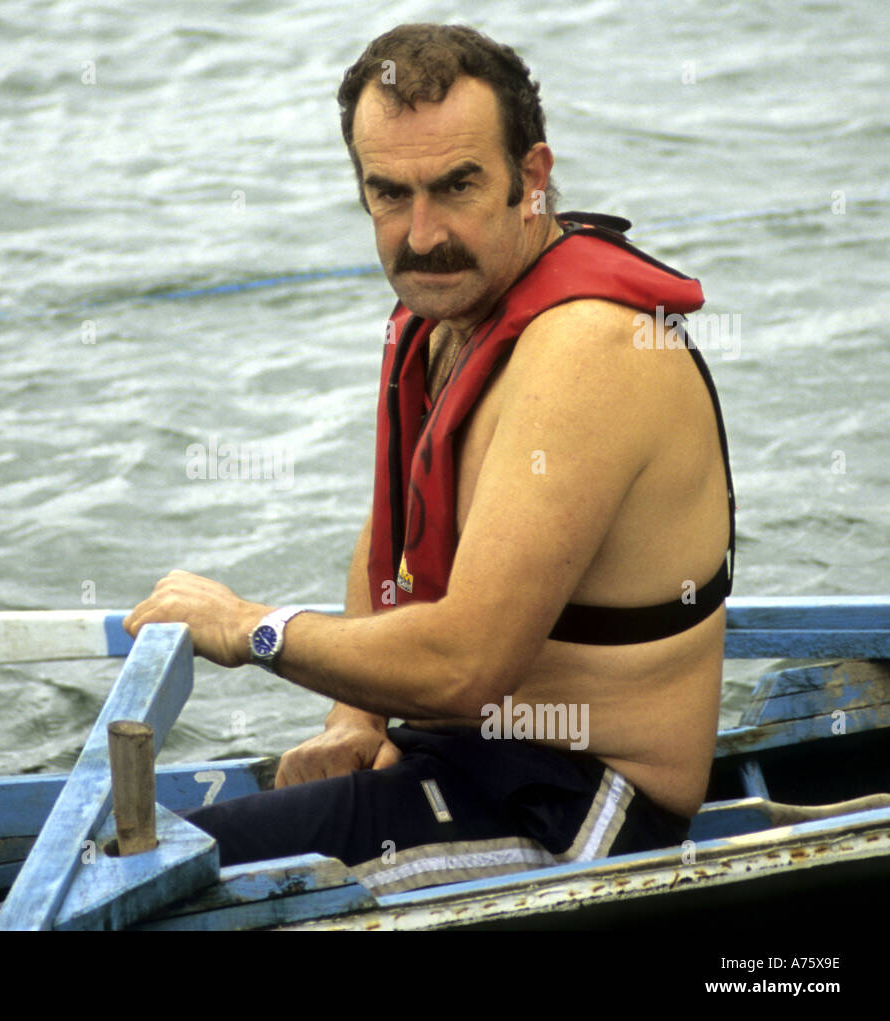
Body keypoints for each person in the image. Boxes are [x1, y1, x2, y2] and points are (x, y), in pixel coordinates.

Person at [122, 23, 735, 896]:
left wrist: (253, 627)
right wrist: (354, 716)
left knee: (150, 875)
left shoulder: (589, 351)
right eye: (389, 193)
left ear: (532, 178)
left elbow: (465, 665)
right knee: (125, 846)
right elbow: (394, 537)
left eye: (457, 186)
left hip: (583, 807)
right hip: (460, 754)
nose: (421, 235)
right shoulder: (448, 312)